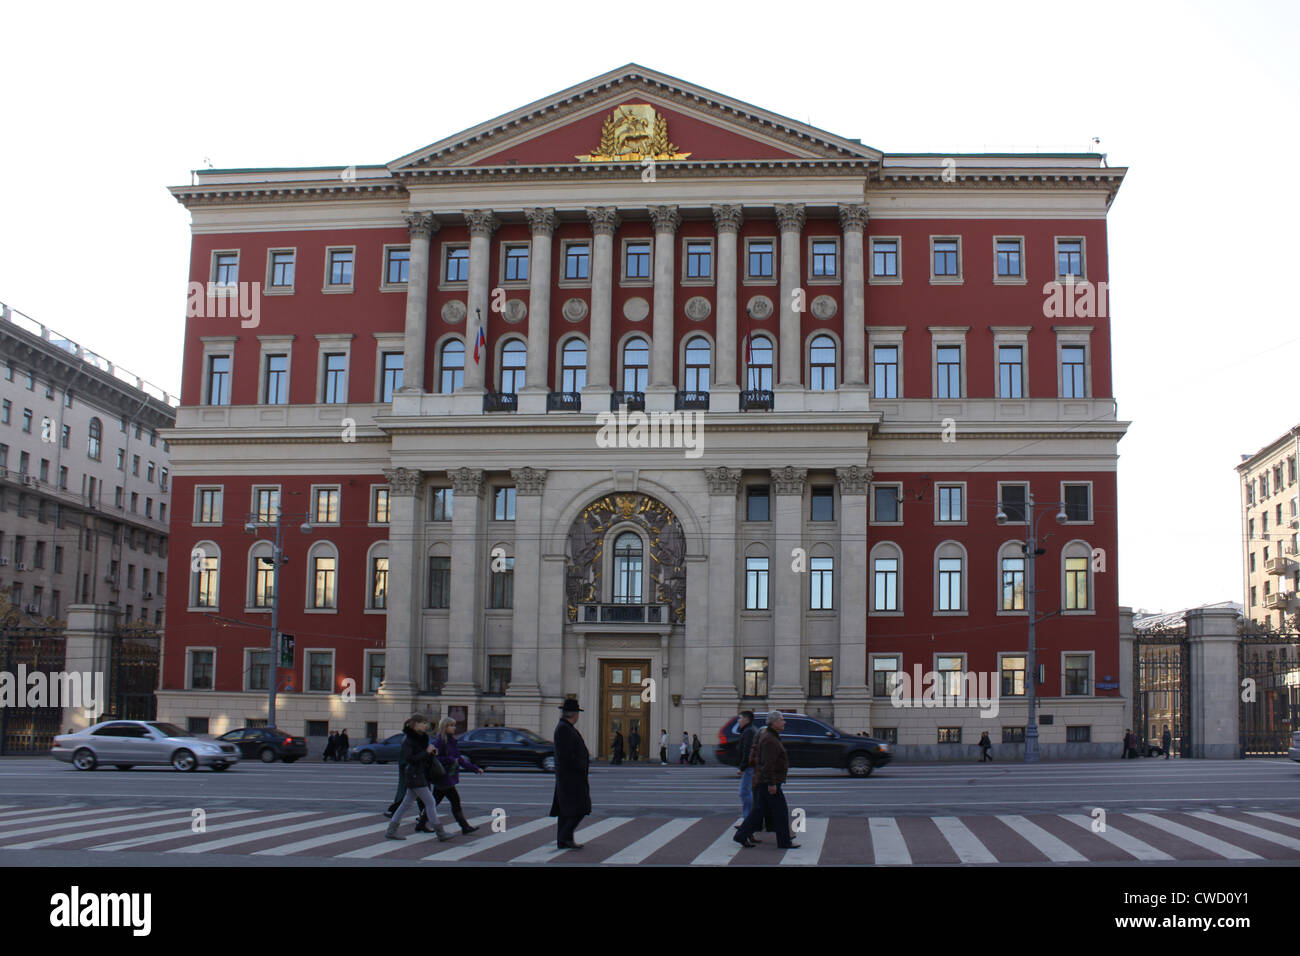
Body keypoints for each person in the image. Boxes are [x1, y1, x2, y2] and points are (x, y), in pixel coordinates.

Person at [734, 711, 798, 850]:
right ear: (773, 723)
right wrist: (772, 783)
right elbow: (768, 763)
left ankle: (741, 835)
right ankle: (784, 842)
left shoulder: (770, 736)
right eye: (781, 720)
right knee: (780, 812)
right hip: (769, 782)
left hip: (765, 781)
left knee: (759, 811)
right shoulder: (770, 739)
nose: (784, 722)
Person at [385, 714, 453, 842]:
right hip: (414, 774)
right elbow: (409, 759)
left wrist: (431, 752)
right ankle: (440, 832)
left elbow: (421, 756)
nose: (426, 725)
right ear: (415, 724)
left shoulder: (420, 739)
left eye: (426, 723)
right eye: (423, 723)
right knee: (430, 802)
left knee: (406, 803)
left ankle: (391, 831)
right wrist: (426, 752)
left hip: (419, 773)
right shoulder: (409, 740)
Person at [420, 716, 483, 835]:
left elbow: (460, 759)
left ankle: (421, 824)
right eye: (451, 725)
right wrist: (450, 759)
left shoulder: (451, 741)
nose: (454, 728)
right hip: (443, 777)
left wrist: (475, 769)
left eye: (454, 725)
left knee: (433, 802)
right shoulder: (440, 741)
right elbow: (435, 758)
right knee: (455, 801)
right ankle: (464, 827)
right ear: (445, 727)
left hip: (447, 776)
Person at [550, 698, 591, 850]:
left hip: (568, 777)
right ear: (574, 714)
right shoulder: (564, 729)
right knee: (581, 808)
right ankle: (564, 837)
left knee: (566, 811)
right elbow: (566, 755)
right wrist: (580, 765)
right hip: (571, 778)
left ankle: (565, 840)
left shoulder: (565, 727)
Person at [733, 711, 759, 841]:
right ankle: (748, 823)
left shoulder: (749, 731)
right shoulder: (749, 730)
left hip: (749, 768)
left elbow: (747, 750)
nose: (738, 721)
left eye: (740, 718)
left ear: (747, 719)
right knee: (748, 794)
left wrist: (742, 767)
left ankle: (748, 822)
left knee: (744, 793)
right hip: (750, 767)